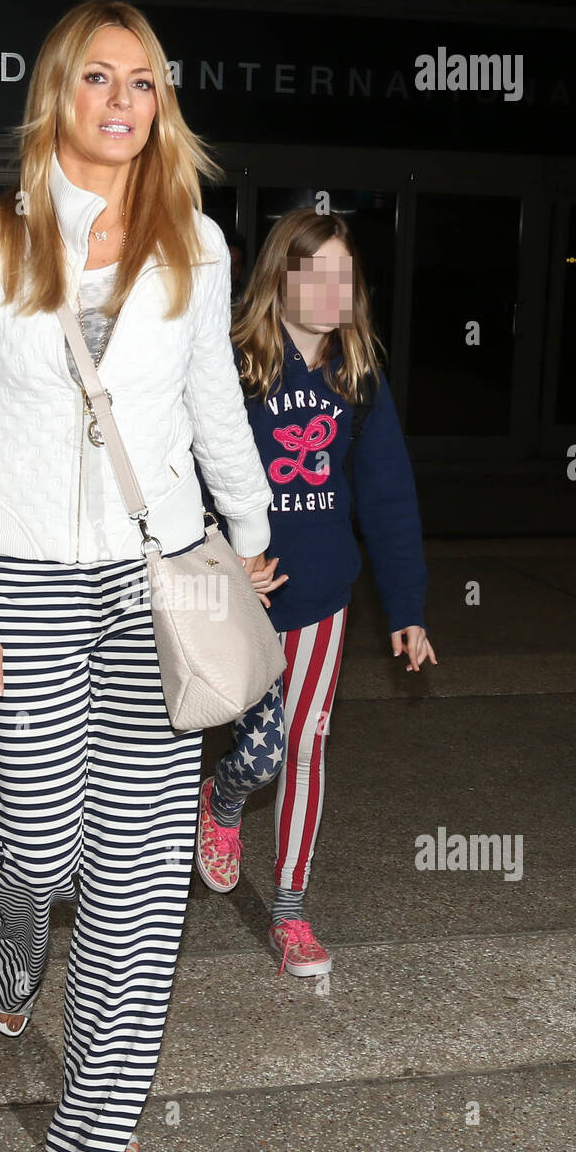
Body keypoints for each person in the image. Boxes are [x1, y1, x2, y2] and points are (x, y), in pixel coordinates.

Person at [0, 0, 273, 1152]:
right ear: (56, 95)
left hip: (155, 572)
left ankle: (98, 1118)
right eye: (97, 79)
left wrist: (250, 530)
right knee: (36, 843)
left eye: (144, 82)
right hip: (22, 580)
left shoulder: (197, 241)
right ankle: (10, 954)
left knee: (140, 863)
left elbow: (211, 400)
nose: (122, 102)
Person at [194, 206, 437, 978]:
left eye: (345, 274)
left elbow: (387, 494)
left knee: (300, 746)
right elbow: (186, 467)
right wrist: (220, 554)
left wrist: (406, 608)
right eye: (315, 271)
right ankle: (222, 796)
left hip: (322, 597)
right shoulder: (234, 365)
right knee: (255, 752)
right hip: (237, 599)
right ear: (279, 276)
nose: (333, 289)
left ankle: (292, 912)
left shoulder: (356, 376)